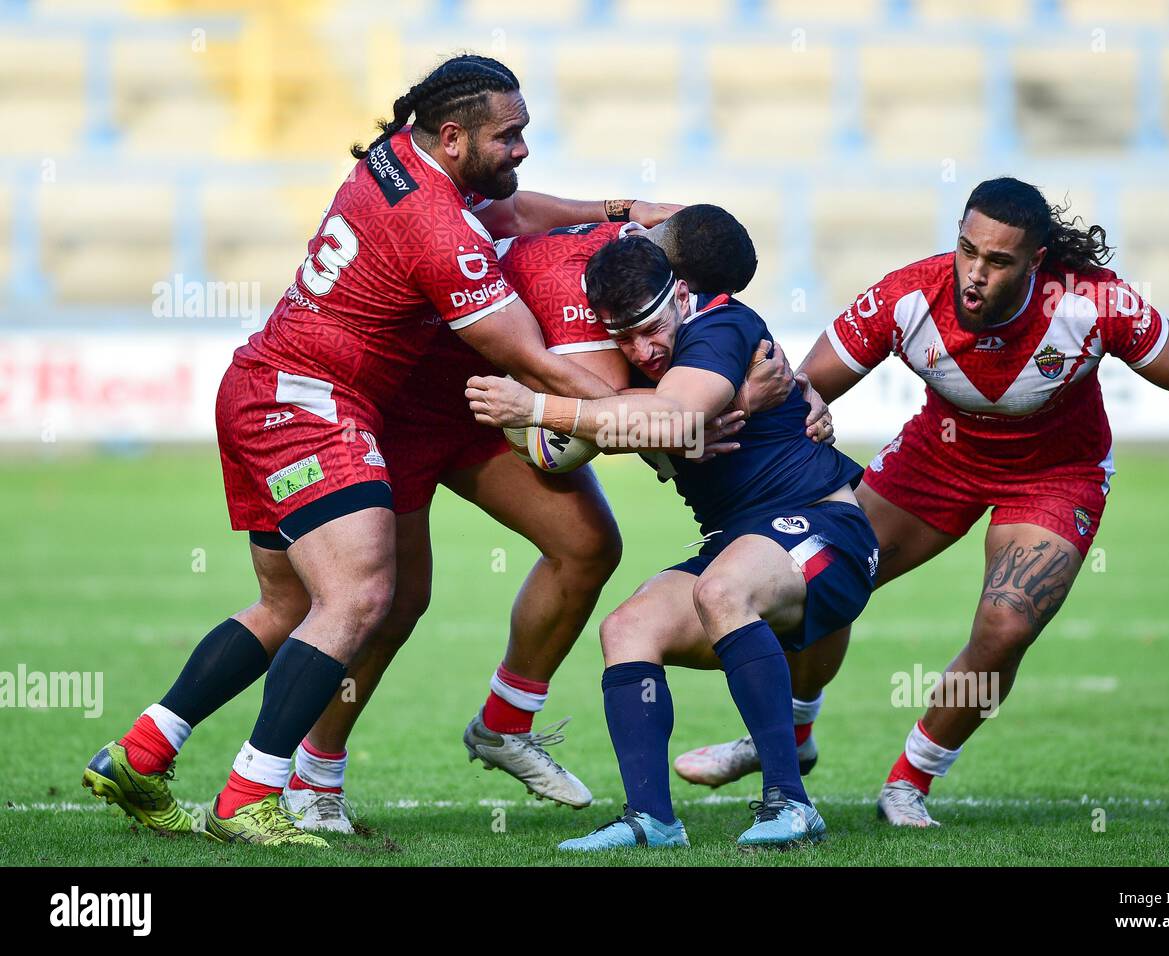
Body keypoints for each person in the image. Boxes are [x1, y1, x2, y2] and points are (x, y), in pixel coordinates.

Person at [81, 54, 674, 847]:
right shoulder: (436, 229)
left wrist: (620, 205)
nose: (524, 147)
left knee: (289, 605)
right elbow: (533, 361)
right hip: (308, 405)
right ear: (454, 136)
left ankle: (141, 752)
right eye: (511, 135)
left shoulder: (402, 151)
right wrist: (664, 418)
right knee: (361, 597)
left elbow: (510, 211)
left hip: (275, 387)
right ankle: (254, 795)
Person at [672, 177, 1169, 828]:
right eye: (966, 250)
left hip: (1057, 475)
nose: (975, 273)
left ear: (1035, 262)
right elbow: (804, 388)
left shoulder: (1092, 303)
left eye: (998, 261)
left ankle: (910, 779)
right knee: (821, 572)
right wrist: (757, 414)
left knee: (1005, 628)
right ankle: (792, 736)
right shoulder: (907, 296)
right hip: (936, 458)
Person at [286, 205, 832, 832]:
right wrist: (698, 420)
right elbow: (560, 439)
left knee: (588, 545)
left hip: (487, 413)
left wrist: (796, 396)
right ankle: (313, 773)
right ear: (674, 276)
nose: (694, 316)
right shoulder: (590, 296)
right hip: (417, 411)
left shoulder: (642, 259)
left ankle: (504, 723)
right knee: (392, 601)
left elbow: (513, 210)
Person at [467, 232, 877, 851]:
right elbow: (652, 419)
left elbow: (672, 417)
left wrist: (538, 406)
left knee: (722, 590)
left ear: (682, 294)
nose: (643, 348)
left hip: (824, 528)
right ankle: (651, 820)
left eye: (651, 327)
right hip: (740, 541)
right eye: (624, 336)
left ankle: (792, 805)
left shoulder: (722, 326)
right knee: (627, 630)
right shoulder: (647, 362)